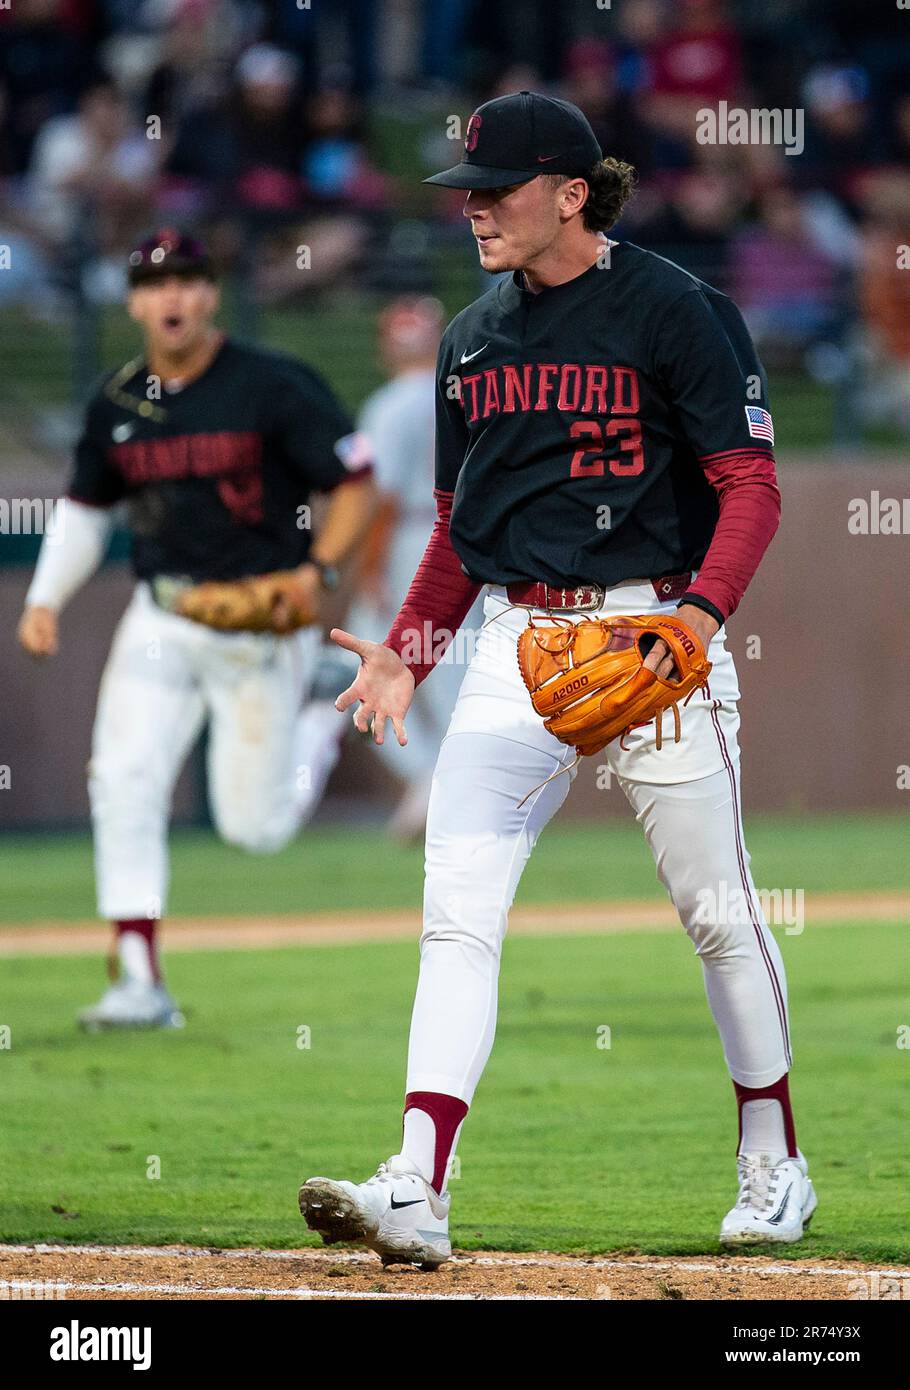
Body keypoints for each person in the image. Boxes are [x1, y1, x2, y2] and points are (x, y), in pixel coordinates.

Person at [298, 93, 816, 1266]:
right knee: (456, 917)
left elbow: (750, 484)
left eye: (498, 190)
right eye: (466, 192)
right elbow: (454, 530)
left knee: (720, 914)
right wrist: (406, 647)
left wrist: (696, 615)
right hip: (515, 648)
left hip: (652, 634)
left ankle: (774, 1165)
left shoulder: (678, 309)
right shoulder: (471, 337)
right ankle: (418, 1186)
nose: (474, 210)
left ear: (572, 193)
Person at [17, 228, 375, 1029]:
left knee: (255, 830)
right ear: (135, 300)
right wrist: (45, 599)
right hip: (164, 615)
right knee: (123, 779)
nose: (171, 297)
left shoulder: (272, 384)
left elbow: (353, 481)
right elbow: (83, 506)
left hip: (259, 623)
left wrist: (315, 573)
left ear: (210, 294)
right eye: (154, 284)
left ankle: (320, 715)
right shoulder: (118, 400)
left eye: (186, 281)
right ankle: (139, 979)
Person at [293, 296, 482, 838]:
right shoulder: (465, 393)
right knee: (449, 665)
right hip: (465, 534)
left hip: (413, 537)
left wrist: (371, 570)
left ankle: (437, 780)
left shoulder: (388, 404)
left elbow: (383, 498)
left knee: (373, 662)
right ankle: (442, 782)